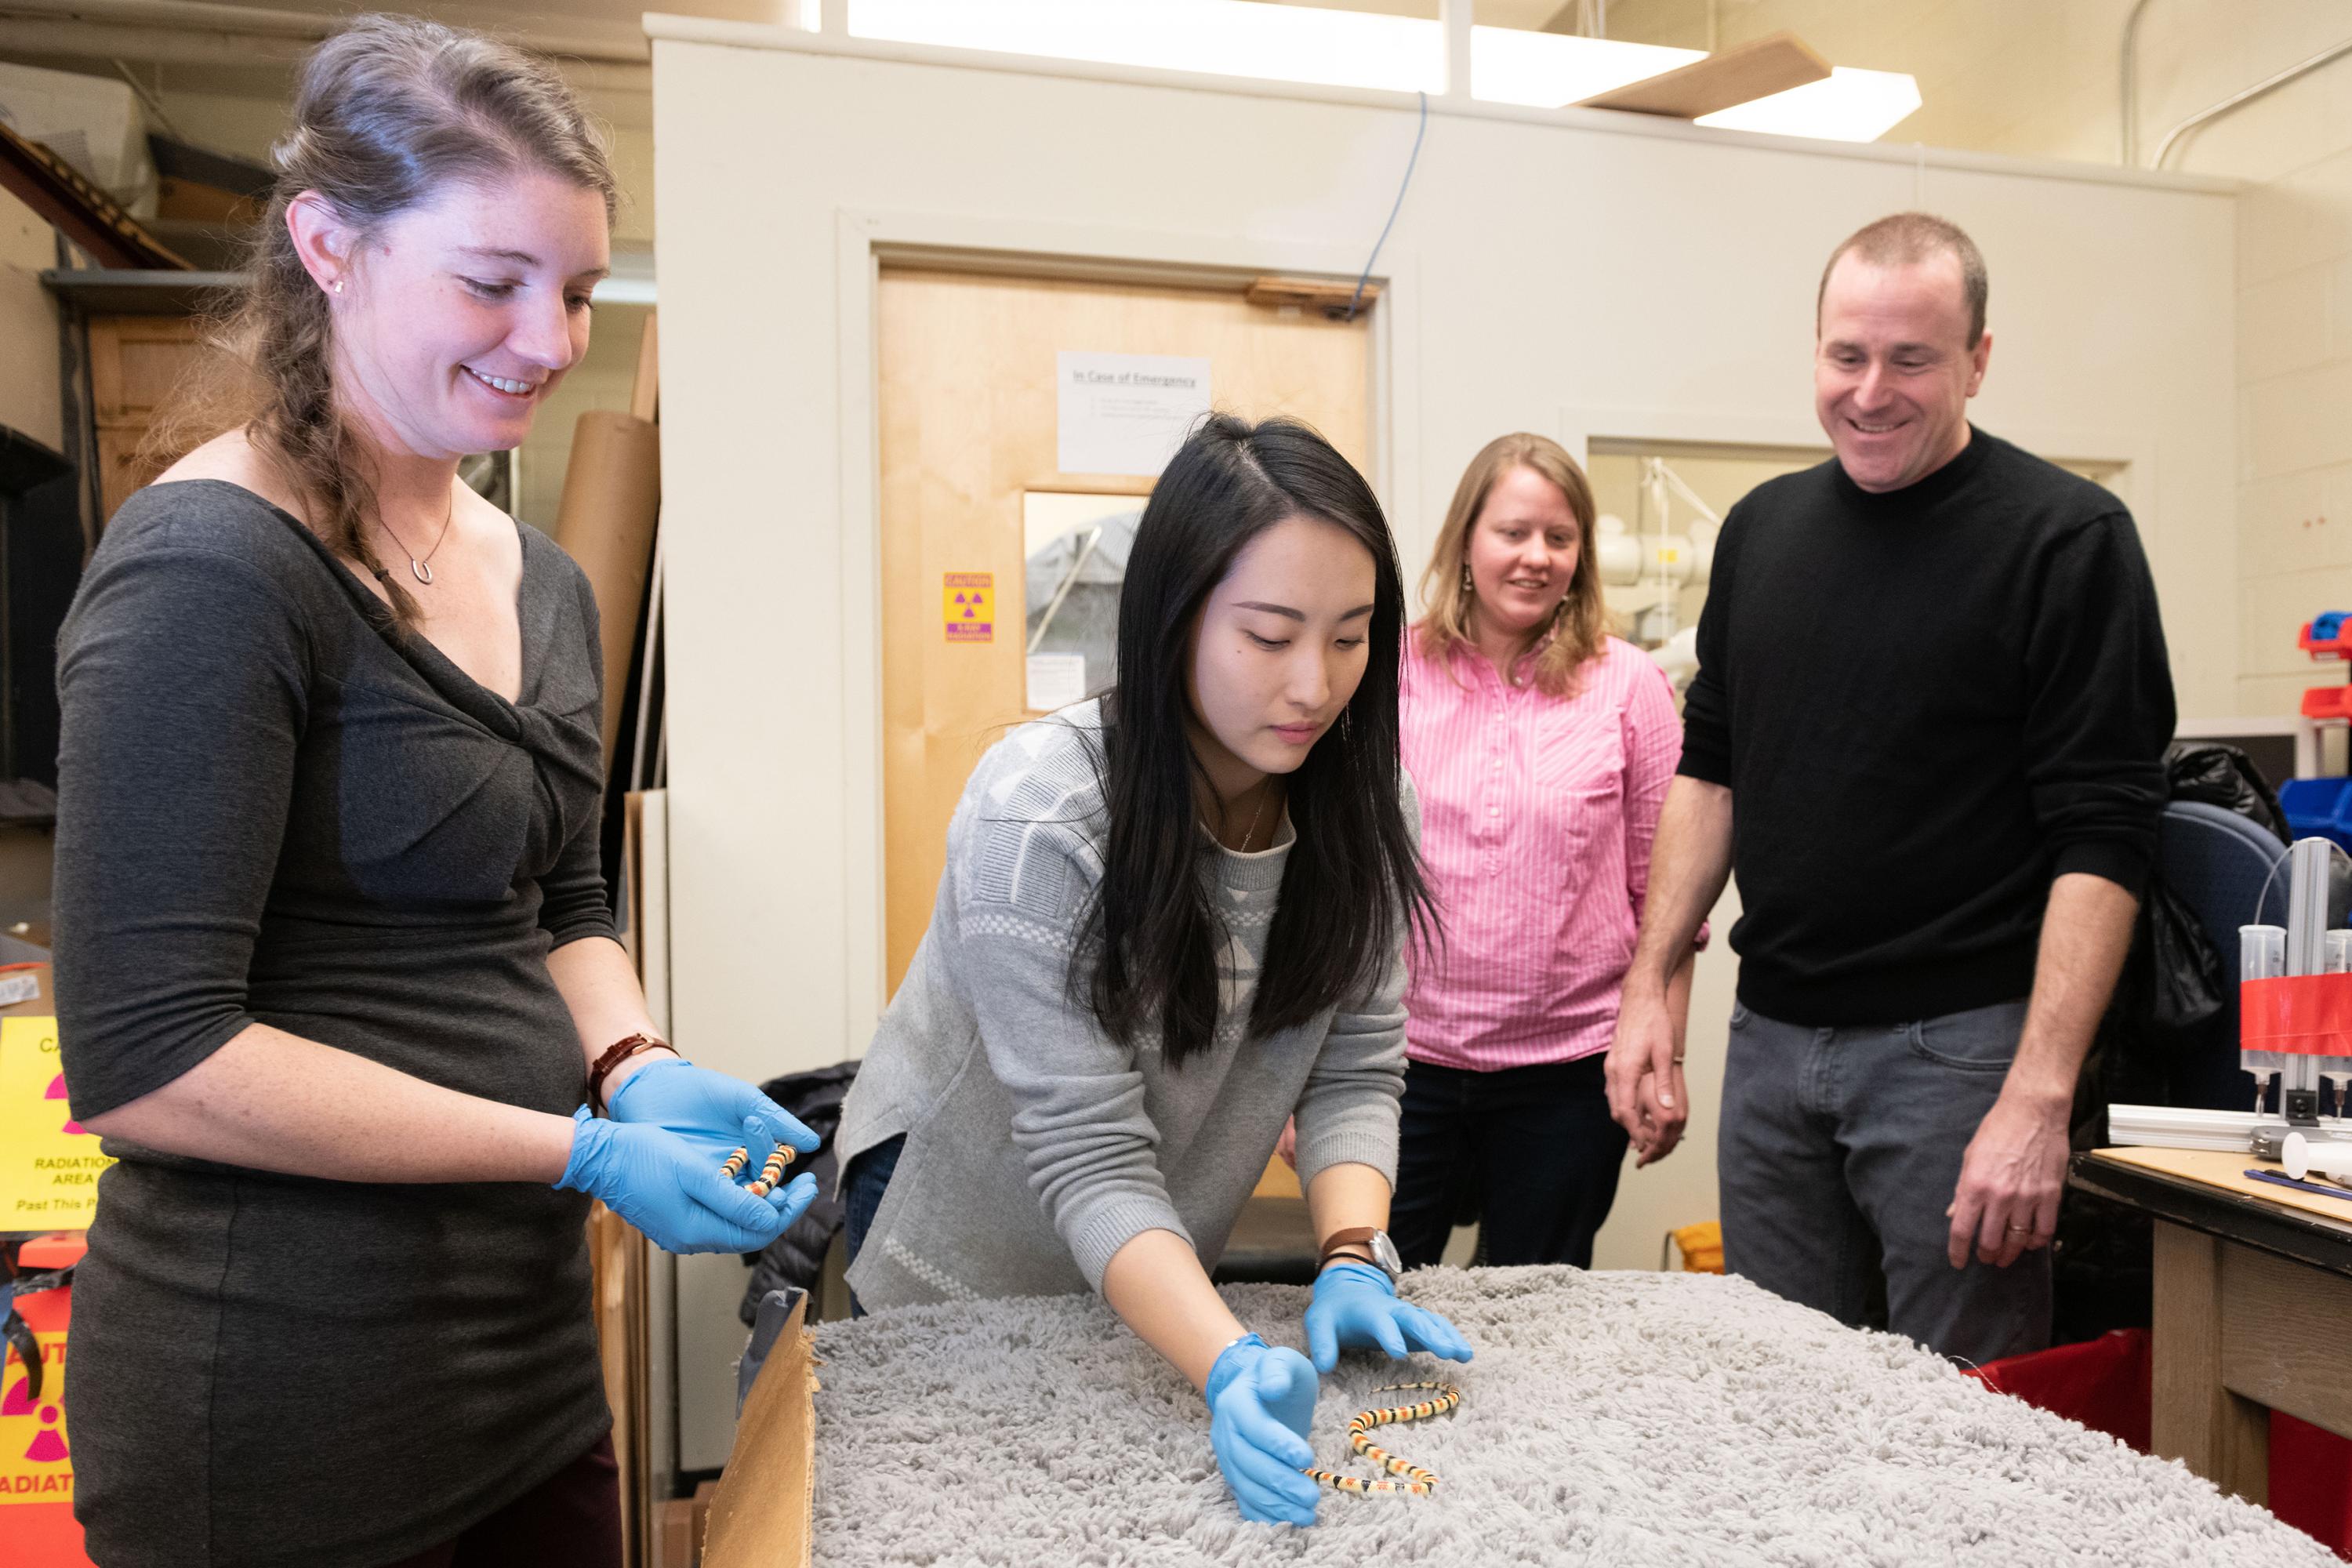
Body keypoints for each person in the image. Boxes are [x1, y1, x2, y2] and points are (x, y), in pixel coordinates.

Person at [51, 20, 817, 1568]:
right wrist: (583, 1151)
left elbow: (563, 899)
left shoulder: (541, 583)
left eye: (583, 290)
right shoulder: (213, 567)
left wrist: (630, 1057)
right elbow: (150, 1057)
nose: (551, 336)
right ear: (328, 245)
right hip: (277, 1405)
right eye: (494, 281)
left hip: (521, 1378)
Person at [833, 414, 1473, 1529]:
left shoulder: (1366, 807)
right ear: (1173, 621)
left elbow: (1357, 1071)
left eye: (1351, 636)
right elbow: (1087, 1154)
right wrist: (1227, 1360)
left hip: (1152, 1235)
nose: (1316, 686)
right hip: (967, 1220)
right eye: (1270, 636)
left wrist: (1353, 1254)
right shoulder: (1040, 811)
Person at [1604, 212, 2175, 1366]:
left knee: (1966, 1419)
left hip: (1957, 1062)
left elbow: (2105, 837)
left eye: (1911, 359)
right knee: (1786, 1399)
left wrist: (2038, 1098)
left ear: (1977, 359)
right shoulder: (1764, 531)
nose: (1871, 392)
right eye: (1845, 356)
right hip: (1771, 1043)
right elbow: (1710, 766)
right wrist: (1652, 981)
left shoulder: (2068, 541)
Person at [1385, 433, 1694, 1270]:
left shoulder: (1630, 685)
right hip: (1398, 1063)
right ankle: (1384, 1418)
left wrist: (1664, 1058)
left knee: (1535, 1327)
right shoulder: (1389, 673)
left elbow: (1667, 902)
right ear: (1465, 540)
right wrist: (1301, 1082)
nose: (1536, 557)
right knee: (1373, 1308)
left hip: (1566, 1072)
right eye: (1513, 531)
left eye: (1560, 538)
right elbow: (1333, 887)